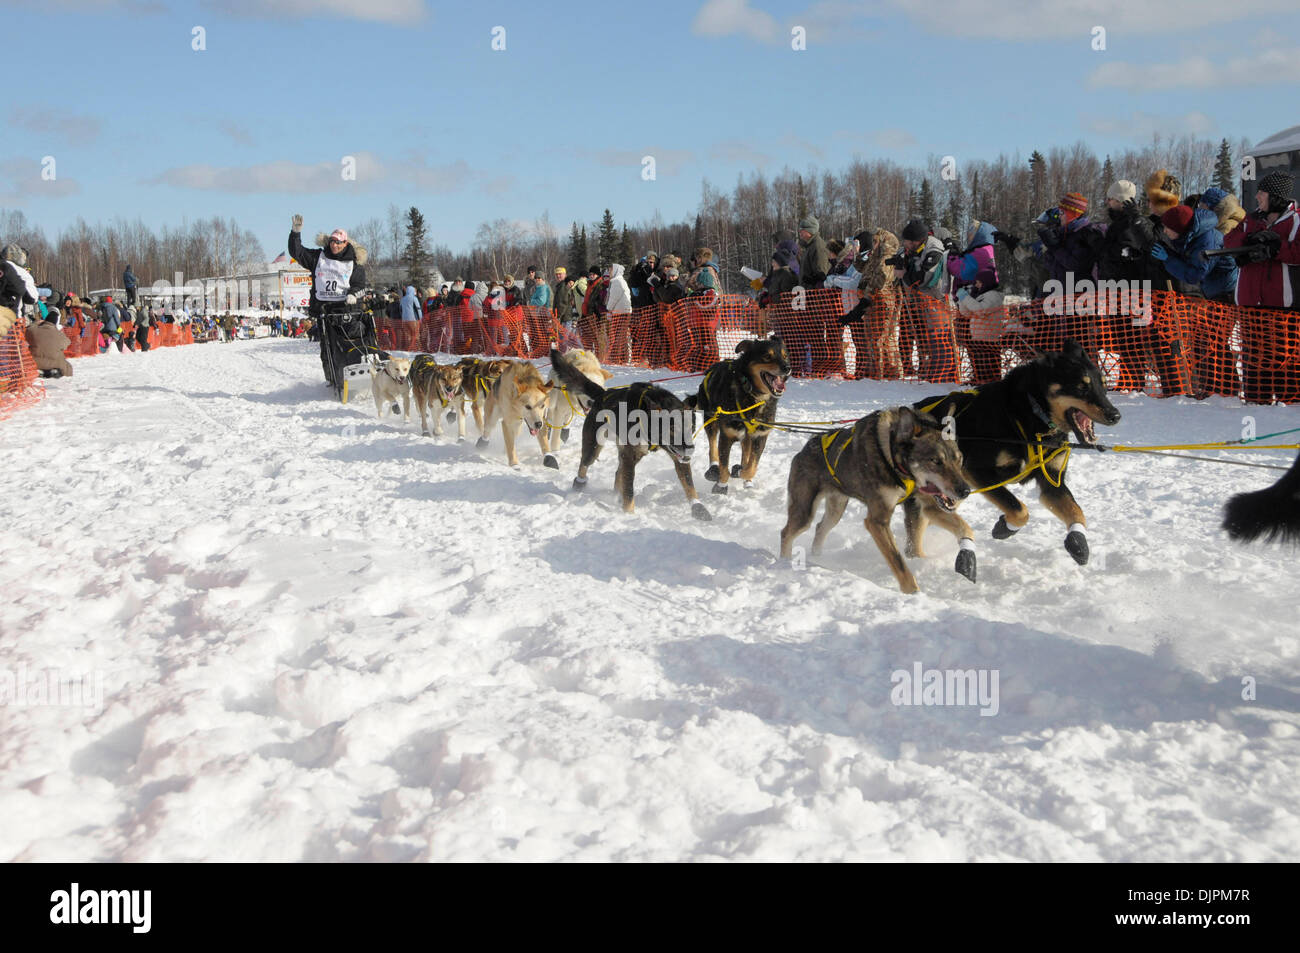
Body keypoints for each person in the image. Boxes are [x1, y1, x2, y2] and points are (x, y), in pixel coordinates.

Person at [1225, 171, 1300, 403]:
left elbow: (1297, 253)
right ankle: (1258, 399)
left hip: (1280, 304)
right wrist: (1248, 243)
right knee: (1253, 356)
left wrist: (1275, 247)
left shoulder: (1295, 220)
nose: (1257, 196)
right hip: (1249, 302)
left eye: (1262, 192)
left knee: (1282, 354)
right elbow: (1229, 242)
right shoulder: (1251, 219)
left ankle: (1289, 400)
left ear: (1276, 197)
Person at [288, 216, 371, 384]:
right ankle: (333, 379)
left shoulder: (354, 263)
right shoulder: (319, 257)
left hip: (346, 309)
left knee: (350, 343)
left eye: (338, 242)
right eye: (332, 241)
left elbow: (360, 285)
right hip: (325, 311)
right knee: (327, 348)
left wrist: (353, 295)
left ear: (345, 244)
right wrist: (295, 233)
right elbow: (297, 252)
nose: (334, 245)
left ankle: (359, 373)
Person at [896, 219, 955, 382]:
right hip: (922, 300)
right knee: (926, 337)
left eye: (907, 241)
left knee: (939, 337)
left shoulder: (934, 249)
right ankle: (931, 370)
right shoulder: (913, 249)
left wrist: (904, 275)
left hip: (937, 299)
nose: (905, 244)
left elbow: (925, 278)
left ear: (916, 240)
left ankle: (944, 374)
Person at [957, 268, 1005, 384]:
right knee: (978, 362)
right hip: (978, 337)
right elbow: (967, 313)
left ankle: (988, 382)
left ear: (986, 282)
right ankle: (979, 380)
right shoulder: (981, 296)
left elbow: (980, 310)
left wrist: (966, 298)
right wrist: (963, 299)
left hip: (988, 339)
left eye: (978, 282)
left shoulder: (993, 296)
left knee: (987, 364)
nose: (976, 285)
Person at [25, 309, 74, 378]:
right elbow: (67, 342)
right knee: (68, 368)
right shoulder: (59, 334)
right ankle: (53, 371)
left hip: (34, 361)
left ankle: (41, 371)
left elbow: (27, 329)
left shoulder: (34, 330)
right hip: (55, 363)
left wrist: (36, 323)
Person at [797, 217, 830, 286]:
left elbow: (822, 273)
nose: (800, 232)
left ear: (810, 231)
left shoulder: (818, 247)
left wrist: (811, 281)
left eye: (802, 230)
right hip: (808, 291)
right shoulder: (809, 246)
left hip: (815, 293)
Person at [399, 284, 422, 351]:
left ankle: (408, 348)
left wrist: (402, 317)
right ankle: (416, 348)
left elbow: (400, 309)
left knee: (408, 335)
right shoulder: (414, 298)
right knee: (416, 334)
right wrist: (420, 318)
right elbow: (418, 309)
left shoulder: (402, 299)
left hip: (405, 320)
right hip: (413, 320)